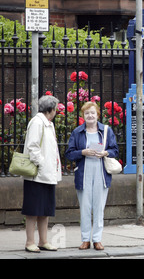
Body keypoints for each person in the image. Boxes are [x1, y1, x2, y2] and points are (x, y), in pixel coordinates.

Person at [65, 101, 119, 250]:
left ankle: (97, 239)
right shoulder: (77, 132)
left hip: (101, 172)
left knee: (99, 207)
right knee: (85, 207)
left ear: (97, 115)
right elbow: (69, 154)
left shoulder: (106, 130)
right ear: (83, 115)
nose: (90, 115)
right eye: (87, 113)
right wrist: (83, 152)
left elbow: (115, 150)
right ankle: (85, 239)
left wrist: (106, 153)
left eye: (92, 113)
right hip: (84, 172)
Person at [21, 95, 62, 253]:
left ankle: (43, 241)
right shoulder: (37, 123)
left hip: (48, 175)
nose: (56, 112)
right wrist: (43, 164)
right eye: (55, 109)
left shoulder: (48, 124)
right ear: (50, 109)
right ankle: (30, 242)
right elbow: (33, 147)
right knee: (32, 210)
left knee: (45, 209)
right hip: (37, 175)